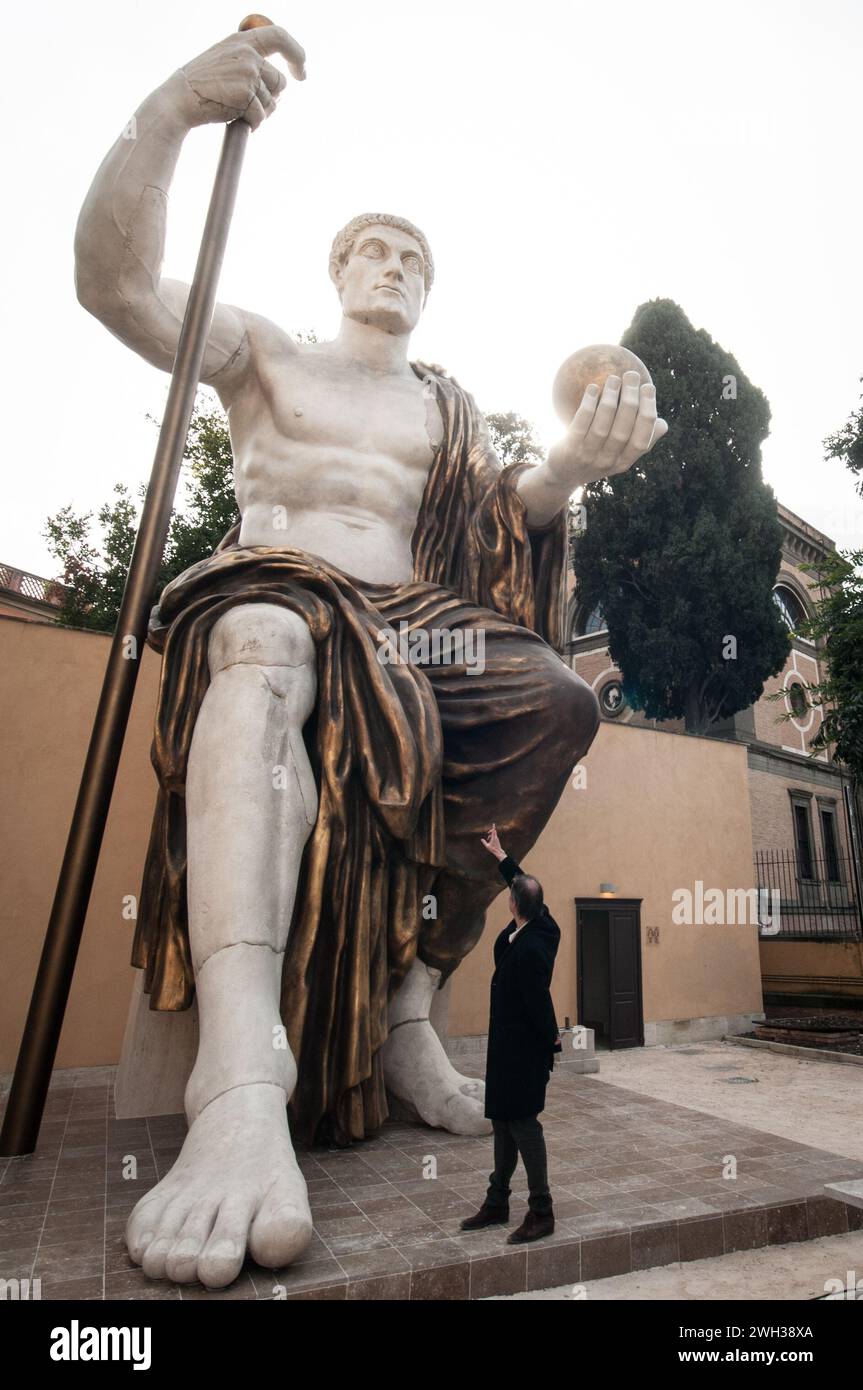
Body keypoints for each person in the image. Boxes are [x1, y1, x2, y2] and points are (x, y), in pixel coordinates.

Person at [74, 21, 664, 1287]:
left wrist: (571, 461)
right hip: (279, 588)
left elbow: (505, 517)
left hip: (413, 626)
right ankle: (238, 1080)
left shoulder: (442, 408)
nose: (394, 266)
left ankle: (410, 1007)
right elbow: (115, 287)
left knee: (558, 701)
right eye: (375, 248)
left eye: (414, 258)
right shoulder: (267, 354)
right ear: (338, 267)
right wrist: (173, 109)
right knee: (263, 638)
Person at [461, 825, 560, 1243]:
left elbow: (539, 1001)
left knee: (523, 1124)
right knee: (502, 1122)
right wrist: (502, 856)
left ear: (513, 905)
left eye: (511, 892)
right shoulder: (542, 923)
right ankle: (497, 1201)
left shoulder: (532, 947)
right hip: (506, 1050)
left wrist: (552, 1042)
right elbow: (524, 886)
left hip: (522, 1053)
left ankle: (542, 1211)